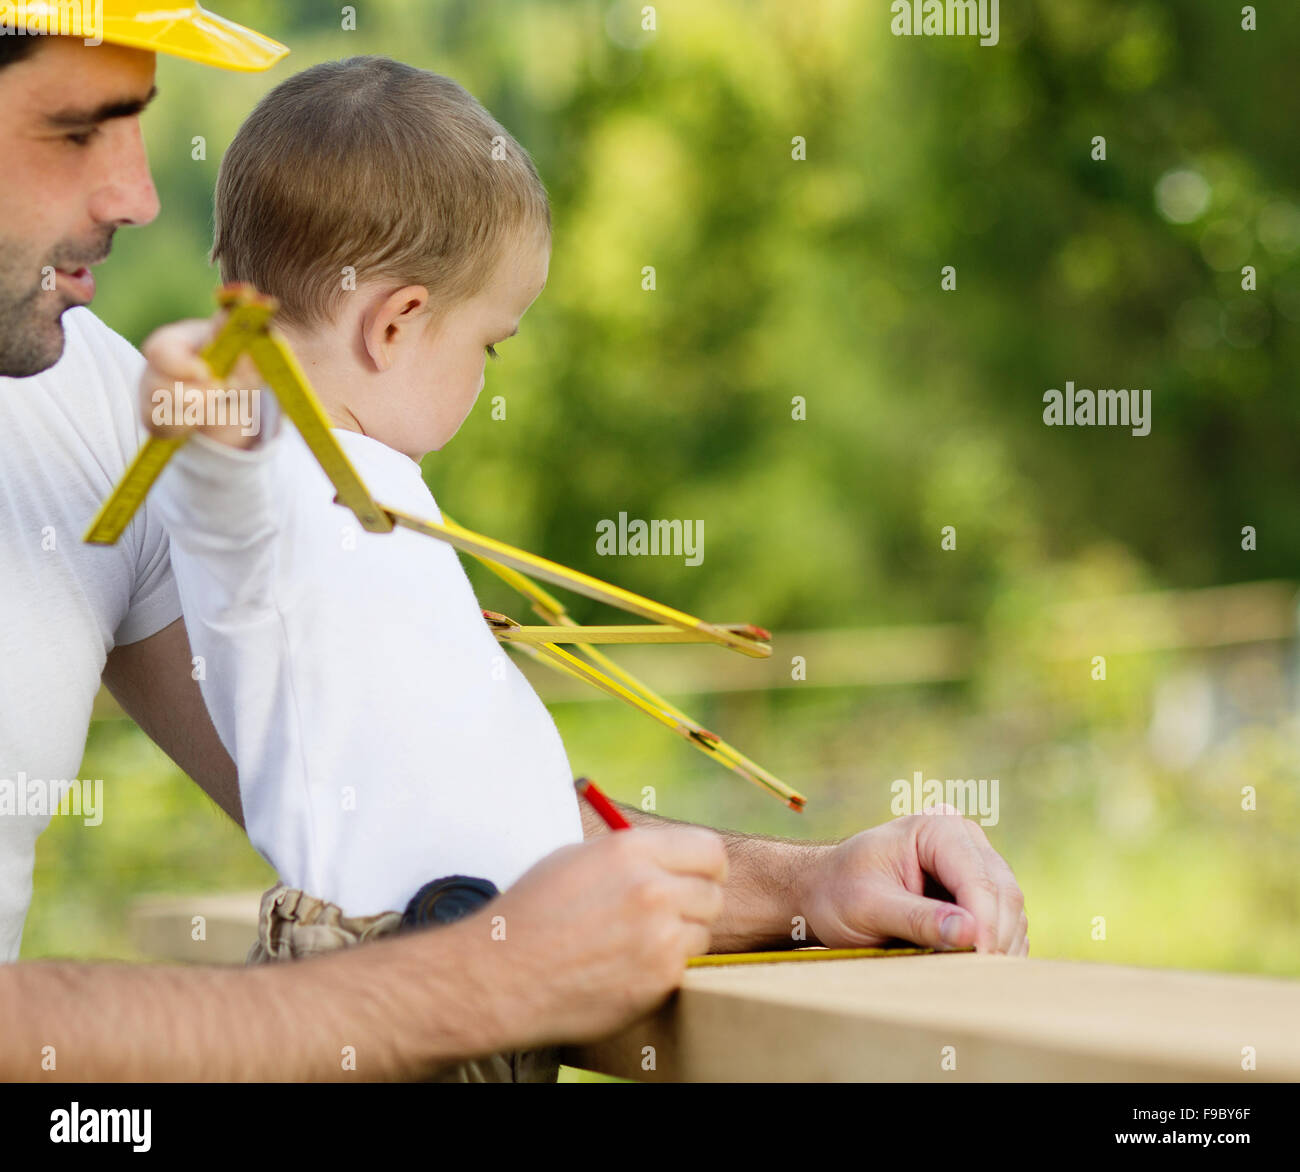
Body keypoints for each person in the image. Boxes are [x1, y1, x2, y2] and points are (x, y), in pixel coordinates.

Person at [0, 8, 1025, 1084]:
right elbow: (232, 497)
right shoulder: (233, 445)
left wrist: (806, 889)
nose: (140, 196)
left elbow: (419, 794)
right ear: (394, 326)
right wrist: (464, 980)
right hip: (400, 975)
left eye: (139, 126)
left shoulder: (82, 402)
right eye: (76, 130)